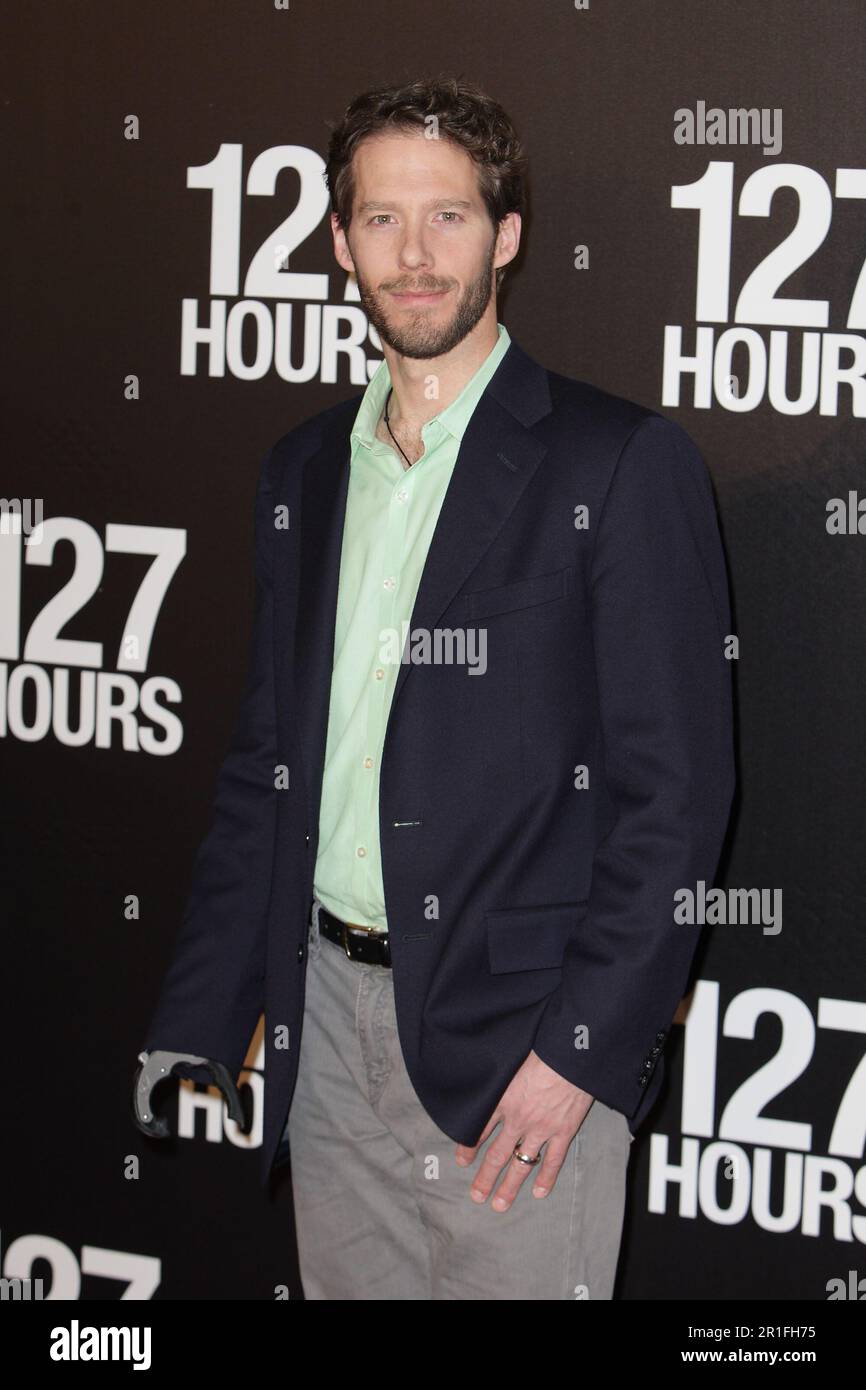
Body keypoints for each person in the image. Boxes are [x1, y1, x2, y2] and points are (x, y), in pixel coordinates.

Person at [143, 76, 735, 1300]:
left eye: (448, 217)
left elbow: (673, 799)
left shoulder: (616, 461)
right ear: (338, 241)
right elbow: (268, 764)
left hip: (515, 1050)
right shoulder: (303, 468)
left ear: (506, 235)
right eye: (379, 220)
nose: (412, 256)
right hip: (322, 1034)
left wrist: (579, 1052)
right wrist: (203, 1008)